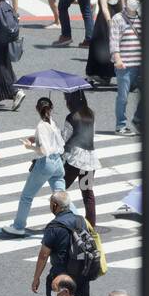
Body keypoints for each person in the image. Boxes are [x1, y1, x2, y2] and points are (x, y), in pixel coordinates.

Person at [30, 190, 93, 296]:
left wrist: (36, 277)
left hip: (60, 277)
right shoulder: (80, 220)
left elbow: (43, 255)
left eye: (51, 203)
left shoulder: (54, 227)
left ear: (55, 205)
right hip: (81, 273)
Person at [2, 97, 66, 237]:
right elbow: (54, 141)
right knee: (62, 197)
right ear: (51, 109)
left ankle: (18, 226)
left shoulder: (41, 126)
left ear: (37, 109)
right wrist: (35, 138)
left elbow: (43, 151)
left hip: (46, 163)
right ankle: (70, 223)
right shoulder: (52, 123)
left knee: (27, 196)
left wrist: (29, 147)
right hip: (58, 163)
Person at [60, 91, 99, 226]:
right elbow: (92, 133)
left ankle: (66, 220)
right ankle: (91, 226)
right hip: (90, 159)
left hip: (75, 160)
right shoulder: (91, 114)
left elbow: (64, 139)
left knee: (60, 189)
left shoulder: (71, 117)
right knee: (87, 194)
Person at [110, 0, 143, 135]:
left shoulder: (141, 19)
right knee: (123, 97)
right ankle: (120, 125)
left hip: (140, 66)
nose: (133, 1)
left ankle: (138, 119)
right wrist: (117, 59)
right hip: (124, 65)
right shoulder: (118, 18)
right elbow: (114, 41)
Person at [86, 0, 119, 86]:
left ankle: (97, 72)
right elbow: (120, 4)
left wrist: (109, 21)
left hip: (104, 19)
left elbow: (104, 7)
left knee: (97, 44)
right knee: (113, 46)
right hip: (117, 15)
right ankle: (110, 72)